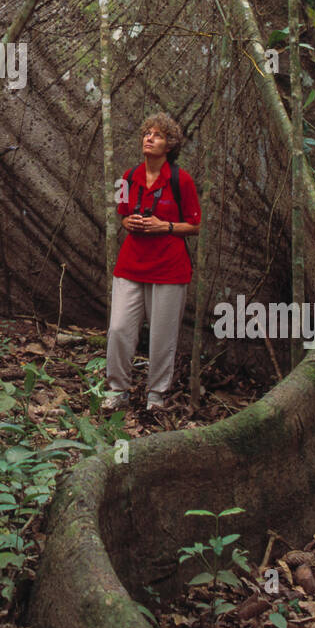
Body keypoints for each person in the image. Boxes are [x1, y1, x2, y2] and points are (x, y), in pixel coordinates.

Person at [102, 113, 201, 416]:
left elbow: (195, 226)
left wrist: (165, 226)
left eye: (157, 135)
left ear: (169, 145)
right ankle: (117, 390)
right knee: (119, 328)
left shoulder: (180, 179)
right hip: (131, 264)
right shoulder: (127, 176)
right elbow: (121, 211)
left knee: (161, 335)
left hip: (169, 268)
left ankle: (156, 395)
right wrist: (127, 220)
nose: (149, 138)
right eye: (146, 133)